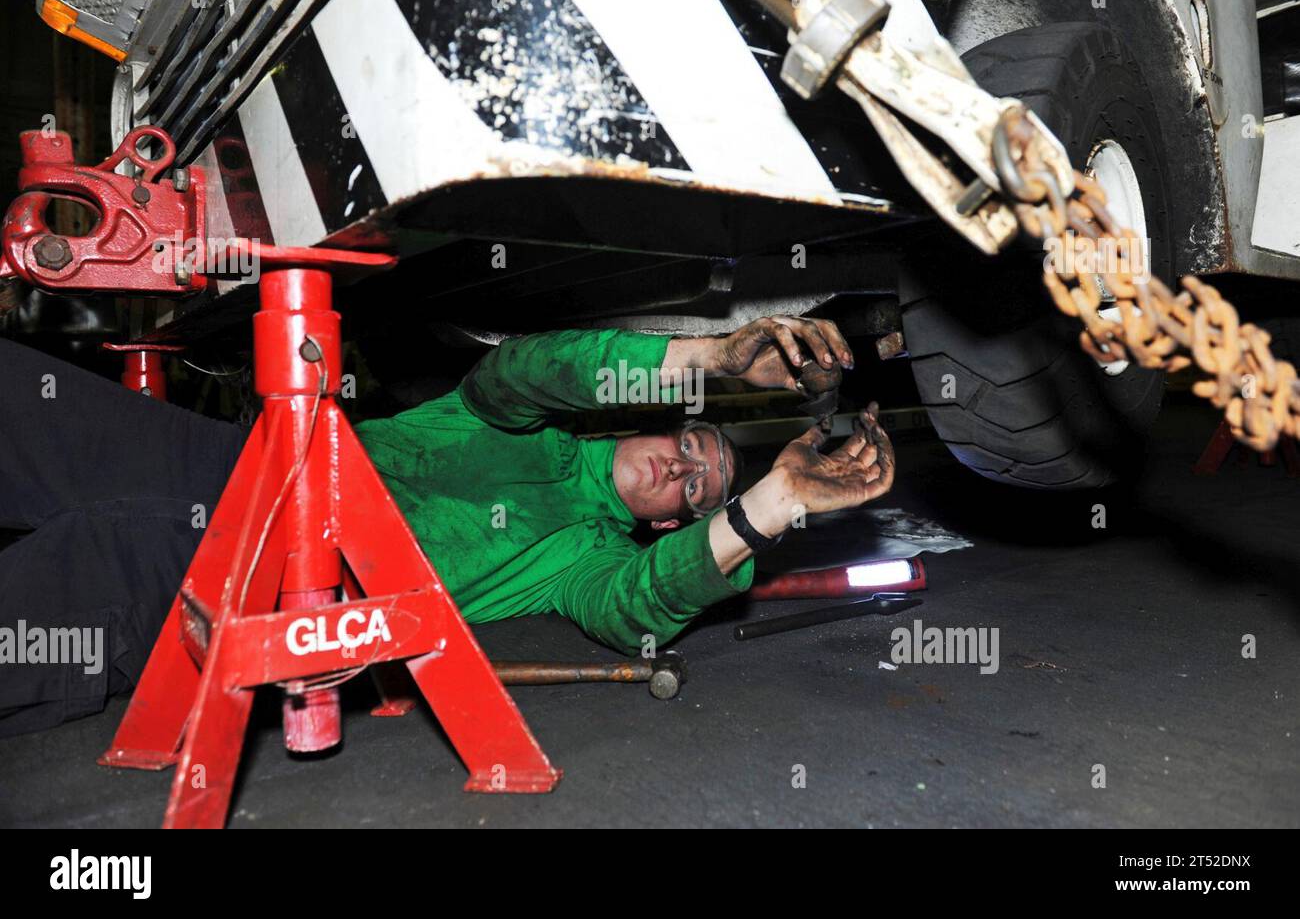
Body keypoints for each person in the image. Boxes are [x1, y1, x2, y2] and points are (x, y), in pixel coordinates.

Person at [0, 316, 893, 736]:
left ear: (673, 521)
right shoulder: (522, 422)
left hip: (269, 585)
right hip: (231, 466)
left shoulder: (580, 557)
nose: (683, 469)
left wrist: (775, 502)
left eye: (696, 491)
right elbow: (523, 370)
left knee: (82, 580)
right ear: (649, 421)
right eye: (690, 444)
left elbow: (641, 609)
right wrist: (710, 355)